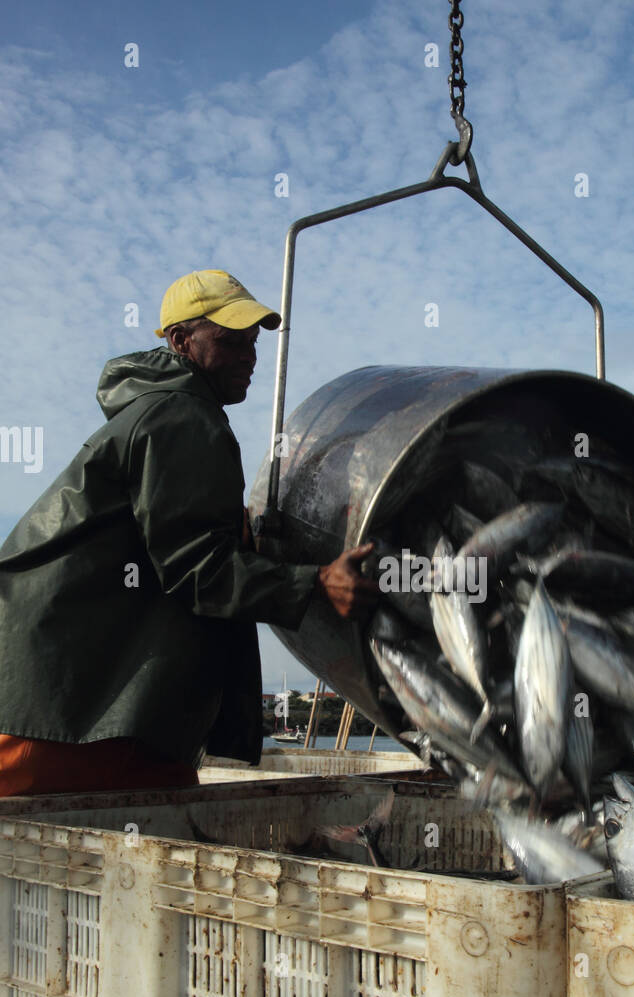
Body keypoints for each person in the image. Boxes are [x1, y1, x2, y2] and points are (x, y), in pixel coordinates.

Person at [0, 269, 379, 796]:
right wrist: (314, 583)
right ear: (181, 340)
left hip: (95, 699)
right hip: (70, 705)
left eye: (252, 343)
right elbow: (195, 568)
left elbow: (171, 543)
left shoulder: (155, 410)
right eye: (229, 341)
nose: (249, 356)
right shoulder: (182, 416)